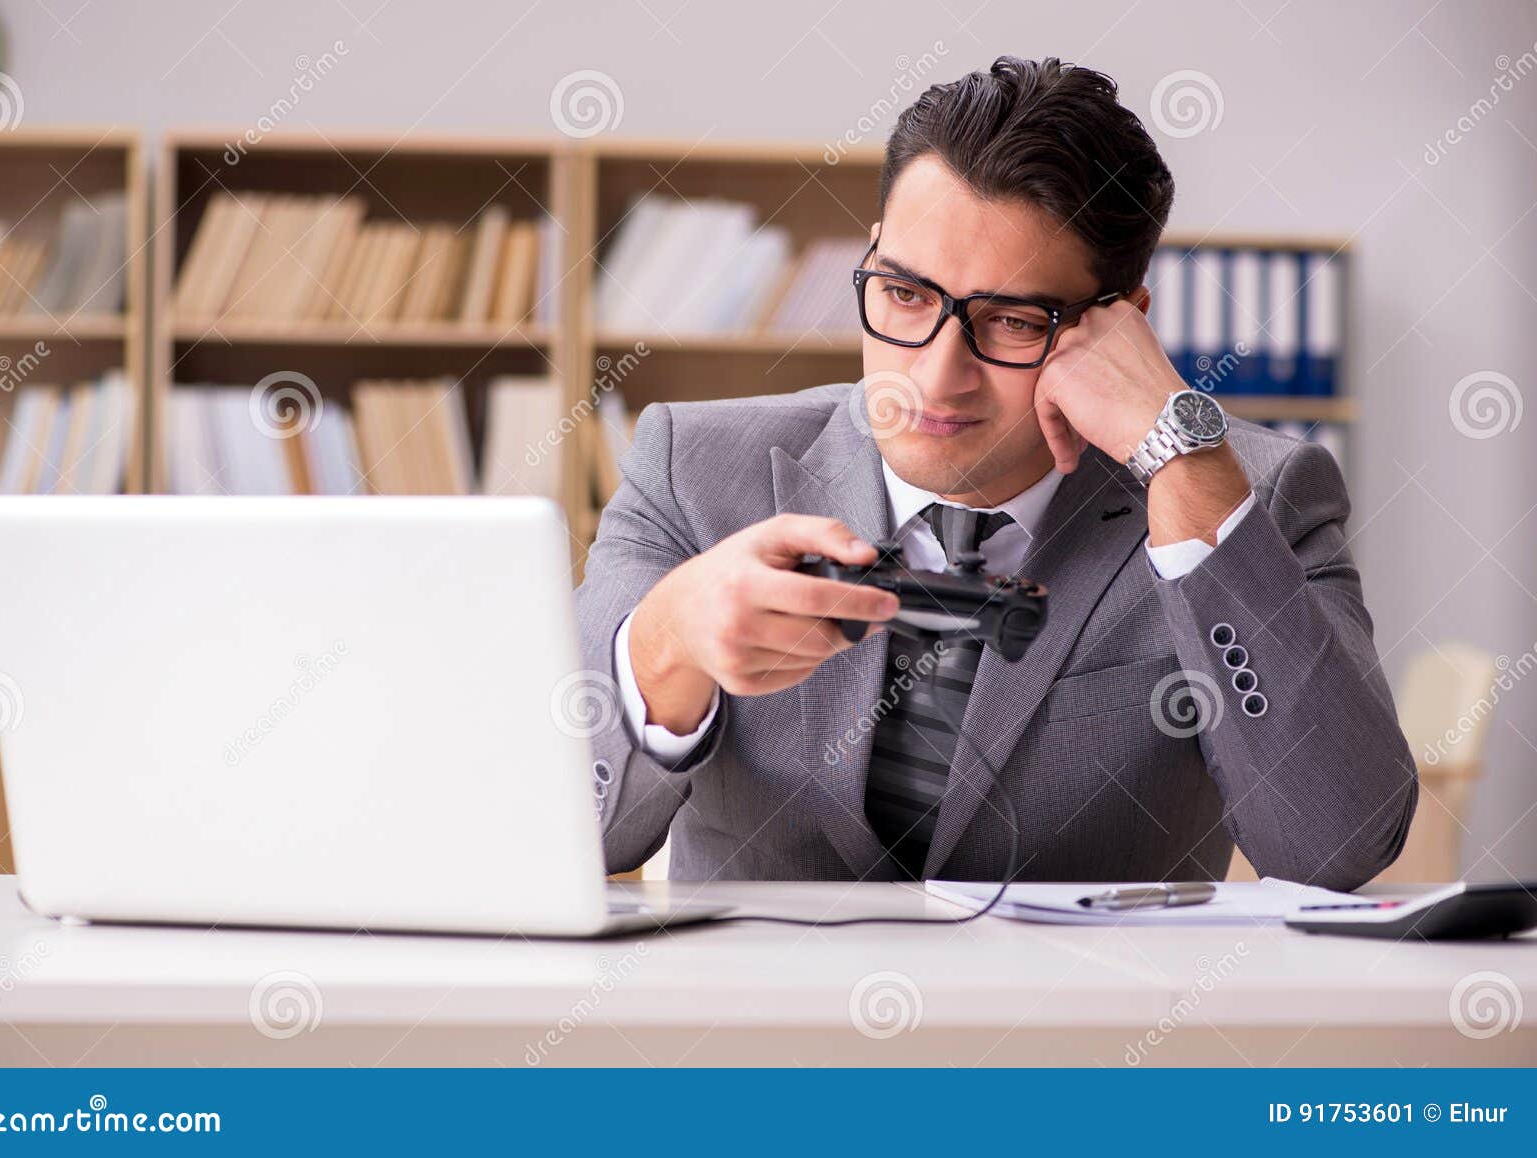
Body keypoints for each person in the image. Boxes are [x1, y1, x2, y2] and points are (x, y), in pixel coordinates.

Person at [575, 55, 1417, 889]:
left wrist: (1182, 456)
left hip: (1088, 1022)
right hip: (757, 1023)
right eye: (904, 295)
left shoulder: (1252, 500)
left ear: (1123, 327)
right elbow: (560, 834)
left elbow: (1334, 846)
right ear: (869, 259)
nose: (936, 377)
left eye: (1011, 321)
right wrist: (664, 643)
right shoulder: (692, 467)